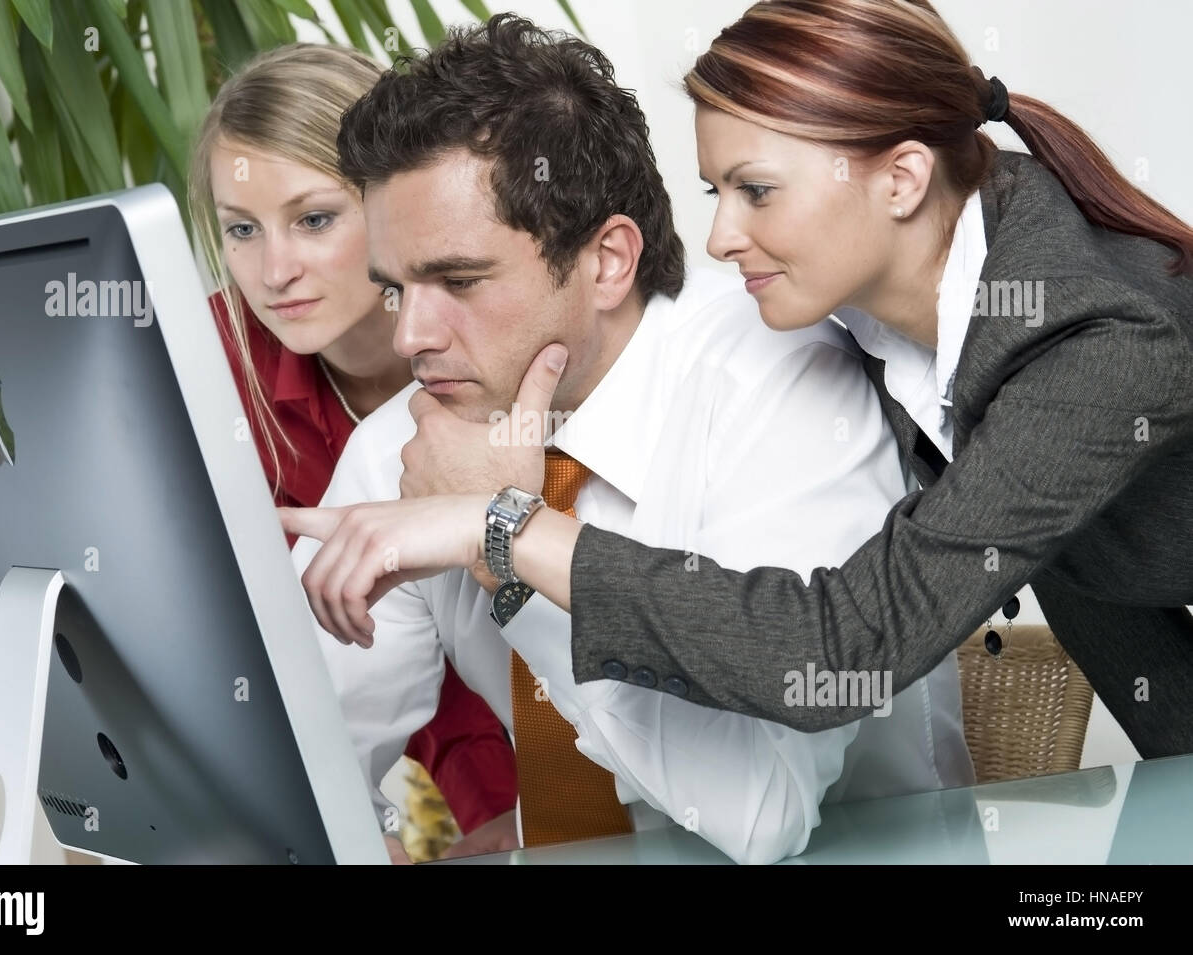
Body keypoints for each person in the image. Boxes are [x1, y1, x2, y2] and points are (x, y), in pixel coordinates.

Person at [285, 0, 1193, 761]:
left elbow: (842, 646)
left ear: (903, 179)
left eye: (756, 191)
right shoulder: (899, 325)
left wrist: (503, 535)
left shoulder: (1098, 340)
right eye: (716, 191)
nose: (718, 238)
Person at [282, 14, 972, 866]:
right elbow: (303, 761)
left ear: (609, 260)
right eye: (395, 288)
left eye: (459, 279)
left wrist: (503, 543)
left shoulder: (783, 385)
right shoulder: (411, 442)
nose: (411, 338)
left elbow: (757, 815)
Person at [185, 43, 517, 855]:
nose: (275, 270)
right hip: (391, 749)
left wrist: (522, 814)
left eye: (314, 219)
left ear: (390, 194)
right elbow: (304, 660)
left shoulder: (501, 330)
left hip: (571, 730)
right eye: (241, 230)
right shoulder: (216, 371)